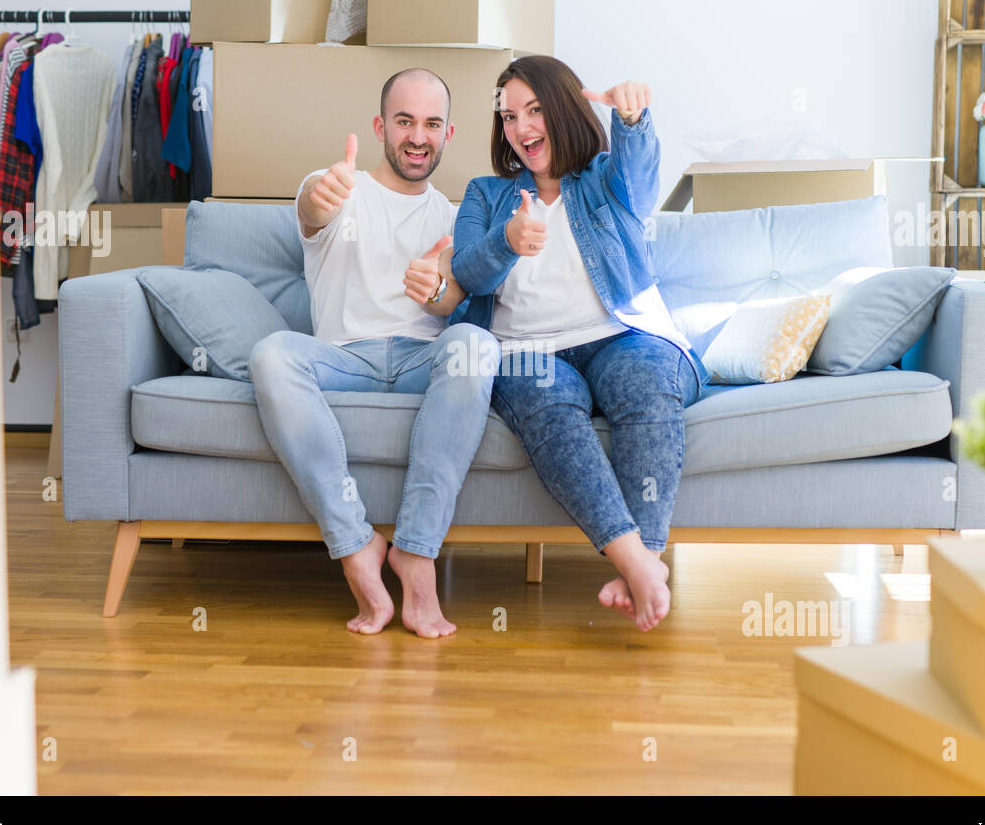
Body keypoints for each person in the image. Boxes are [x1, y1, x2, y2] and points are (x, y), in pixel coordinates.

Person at [437, 56, 706, 632]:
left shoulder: (605, 179)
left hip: (622, 336)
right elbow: (468, 275)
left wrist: (634, 120)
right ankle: (638, 563)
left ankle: (643, 560)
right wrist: (507, 240)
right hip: (524, 349)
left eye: (534, 110)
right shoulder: (486, 194)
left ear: (563, 111)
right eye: (509, 116)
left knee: (645, 382)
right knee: (547, 404)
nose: (520, 127)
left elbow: (640, 177)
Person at [248, 68, 500, 639]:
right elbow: (314, 210)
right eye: (405, 121)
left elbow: (451, 302)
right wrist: (320, 199)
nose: (417, 136)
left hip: (420, 361)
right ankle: (357, 547)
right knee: (271, 356)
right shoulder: (337, 185)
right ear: (380, 125)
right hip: (343, 360)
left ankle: (415, 552)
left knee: (475, 344)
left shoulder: (458, 218)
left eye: (431, 124)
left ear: (449, 133)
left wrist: (437, 291)